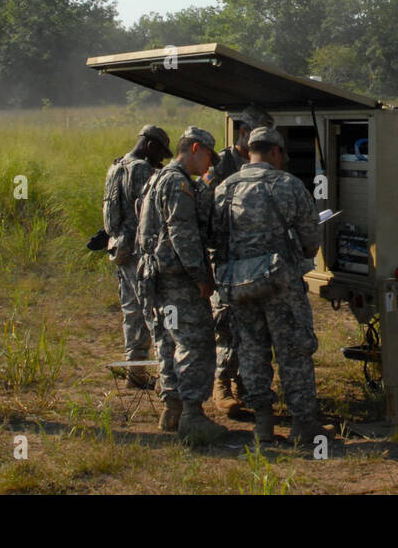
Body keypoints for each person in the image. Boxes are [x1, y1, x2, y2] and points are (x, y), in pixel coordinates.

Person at [211, 126, 325, 444]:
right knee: (294, 352)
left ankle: (263, 425)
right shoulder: (287, 185)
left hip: (239, 286)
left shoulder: (225, 188)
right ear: (275, 152)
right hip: (280, 285)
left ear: (248, 152)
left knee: (251, 351)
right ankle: (303, 426)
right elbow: (311, 239)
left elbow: (215, 240)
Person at [136, 126, 227, 444]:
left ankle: (171, 411)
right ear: (195, 148)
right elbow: (182, 232)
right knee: (195, 343)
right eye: (209, 157)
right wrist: (201, 276)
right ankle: (192, 416)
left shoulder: (156, 178)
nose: (210, 165)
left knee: (168, 342)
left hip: (156, 279)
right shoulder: (178, 183)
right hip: (177, 280)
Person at [201, 105, 274, 416]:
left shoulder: (267, 165)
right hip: (229, 260)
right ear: (244, 133)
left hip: (259, 262)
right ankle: (222, 383)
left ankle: (247, 383)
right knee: (227, 323)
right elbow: (206, 211)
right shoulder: (221, 164)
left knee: (258, 327)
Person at [102, 124, 172, 388]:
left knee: (131, 311)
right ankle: (166, 376)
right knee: (153, 311)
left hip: (120, 249)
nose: (161, 161)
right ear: (150, 146)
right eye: (160, 154)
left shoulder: (115, 166)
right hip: (140, 252)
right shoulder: (142, 170)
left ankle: (136, 372)